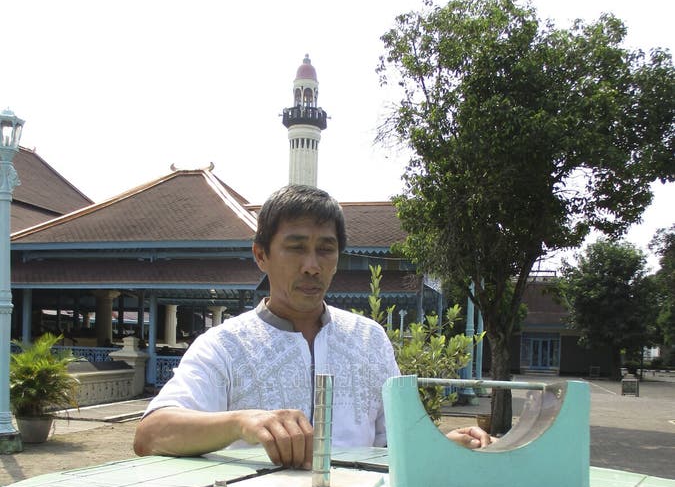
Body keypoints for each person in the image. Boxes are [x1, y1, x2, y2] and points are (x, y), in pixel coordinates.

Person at [134, 185, 492, 467]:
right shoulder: (226, 345)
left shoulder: (369, 339)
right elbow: (151, 434)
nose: (311, 265)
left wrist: (443, 445)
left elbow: (392, 445)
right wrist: (240, 423)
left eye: (325, 249)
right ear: (261, 255)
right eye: (295, 247)